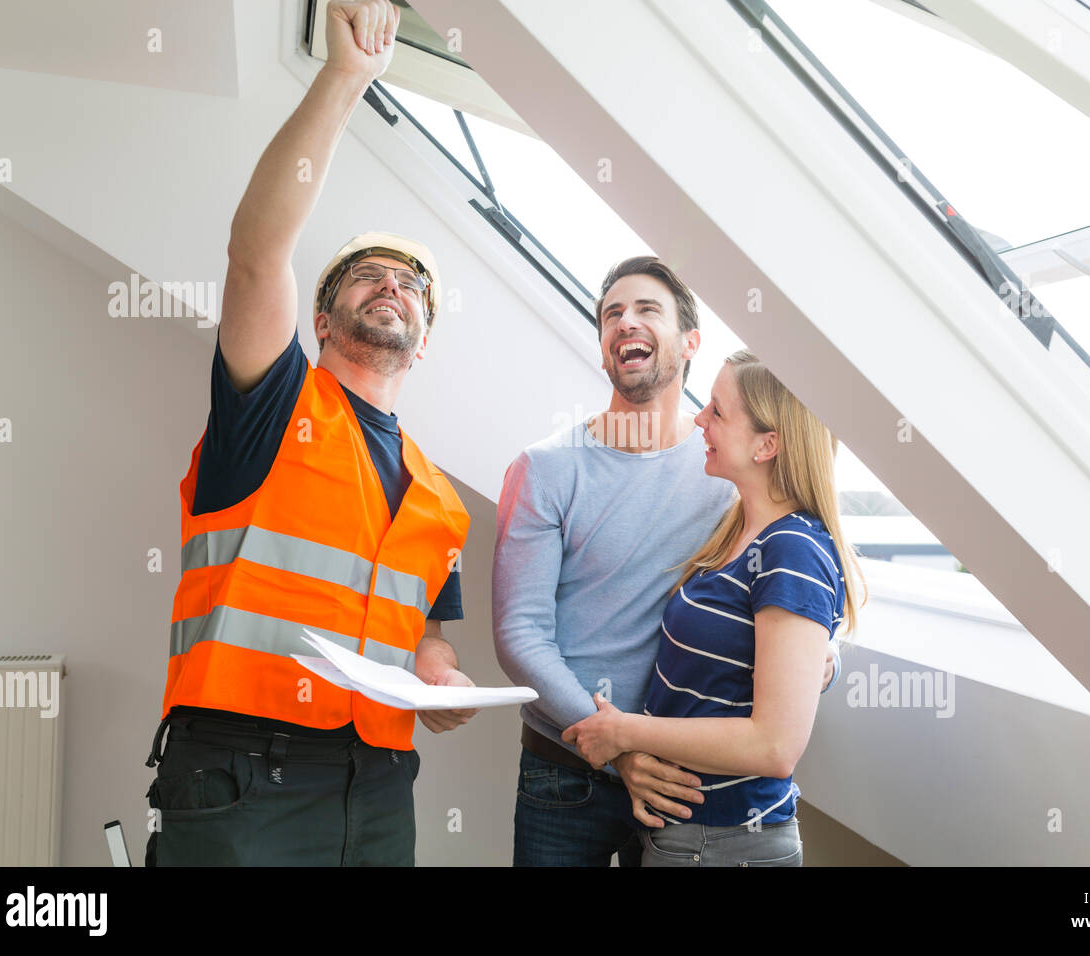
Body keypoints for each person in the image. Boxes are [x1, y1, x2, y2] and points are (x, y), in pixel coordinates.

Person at [144, 0, 477, 867]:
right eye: (366, 277)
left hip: (379, 784)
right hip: (241, 773)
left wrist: (439, 677)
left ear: (426, 340)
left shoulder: (440, 499)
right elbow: (258, 253)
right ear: (321, 321)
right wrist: (345, 77)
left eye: (411, 285)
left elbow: (427, 632)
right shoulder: (273, 404)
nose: (392, 287)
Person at [493, 258, 839, 867]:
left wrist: (826, 656)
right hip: (566, 774)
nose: (626, 321)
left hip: (689, 789)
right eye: (611, 314)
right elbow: (520, 634)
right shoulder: (544, 469)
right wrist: (617, 748)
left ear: (689, 344)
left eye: (647, 309)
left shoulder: (726, 467)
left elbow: (815, 574)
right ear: (604, 348)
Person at [564, 350, 864, 867]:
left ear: (767, 444)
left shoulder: (791, 549)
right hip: (687, 835)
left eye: (718, 413)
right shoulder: (738, 529)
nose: (699, 418)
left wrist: (625, 731)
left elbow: (774, 745)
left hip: (726, 842)